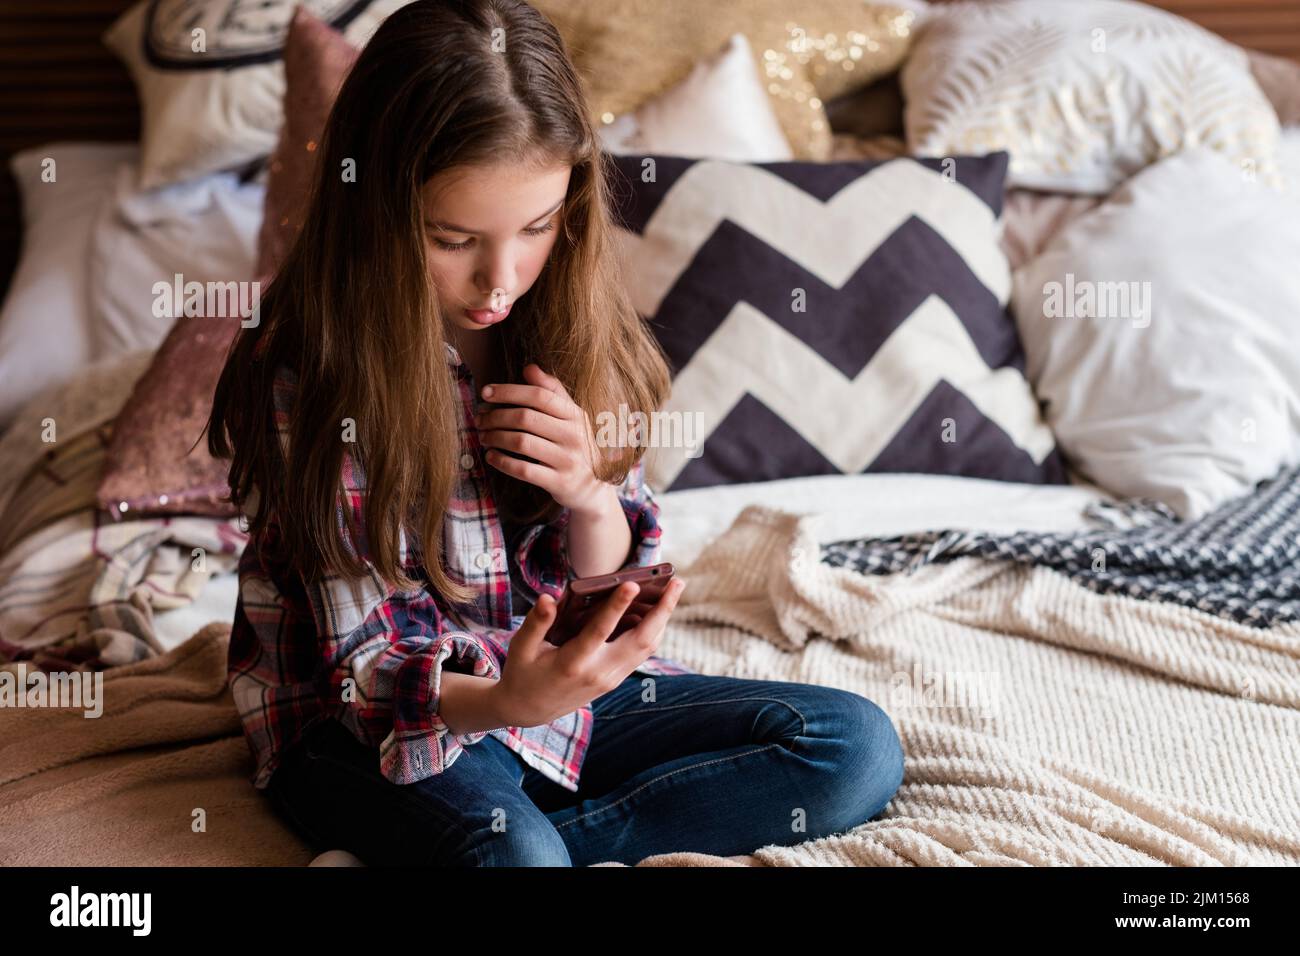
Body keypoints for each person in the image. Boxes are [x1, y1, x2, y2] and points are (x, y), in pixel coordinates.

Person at [206, 0, 904, 867]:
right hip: (378, 724)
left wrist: (588, 494)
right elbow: (361, 672)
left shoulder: (570, 324)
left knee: (853, 748)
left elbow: (611, 571)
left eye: (536, 228)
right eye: (454, 238)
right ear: (377, 210)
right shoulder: (308, 368)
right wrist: (507, 704)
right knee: (516, 856)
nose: (501, 280)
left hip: (552, 691)